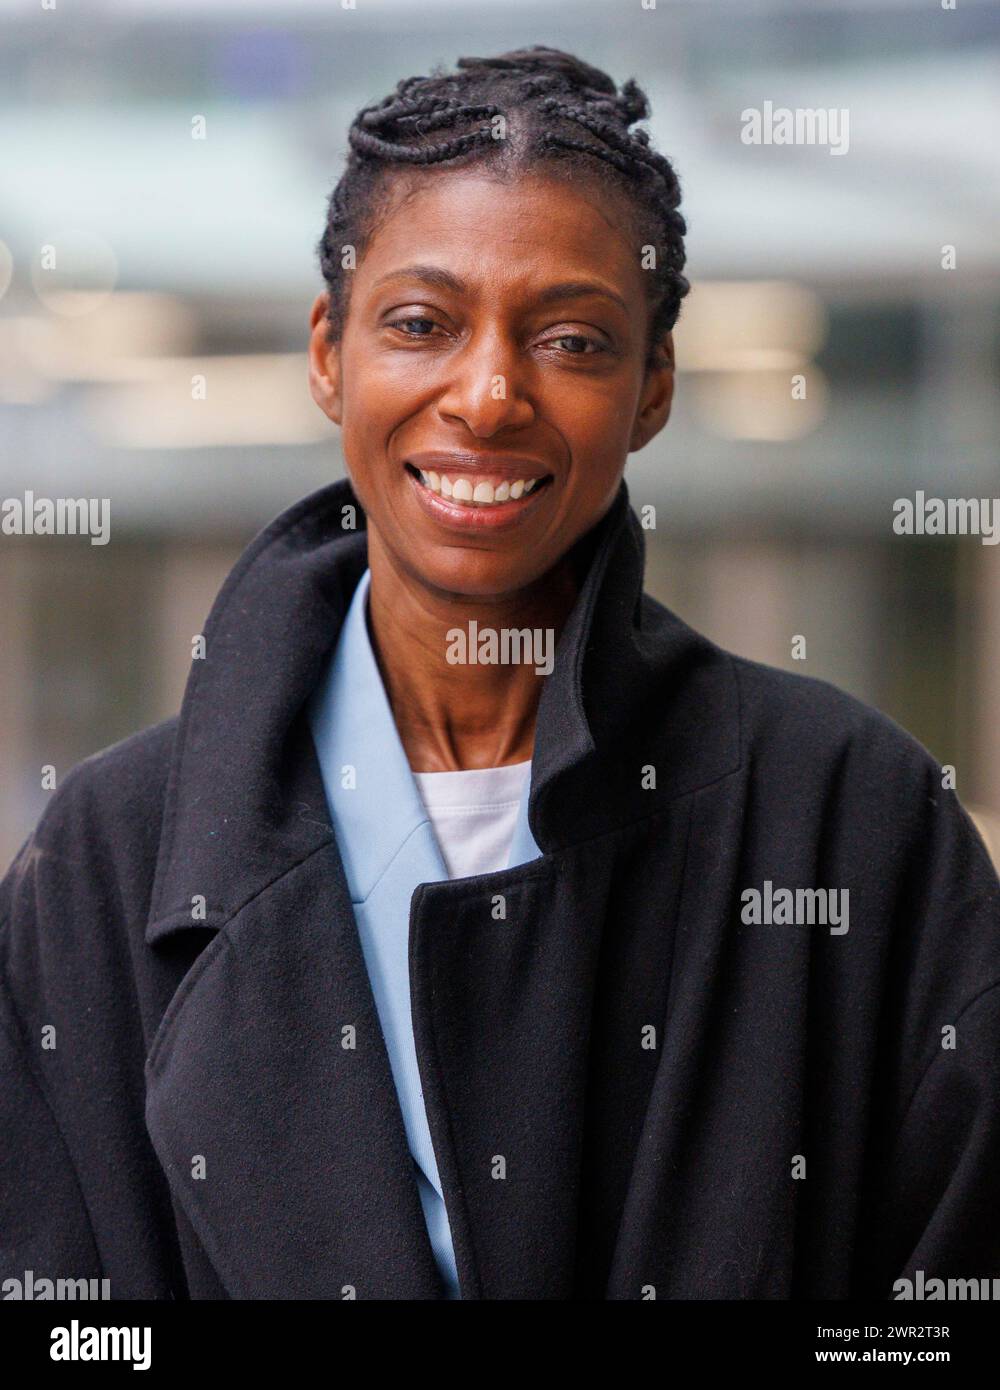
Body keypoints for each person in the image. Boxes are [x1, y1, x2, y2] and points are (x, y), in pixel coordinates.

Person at [1, 46, 998, 1302]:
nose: (486, 395)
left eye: (572, 341)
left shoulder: (848, 820)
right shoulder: (107, 858)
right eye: (420, 323)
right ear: (329, 353)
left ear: (652, 390)